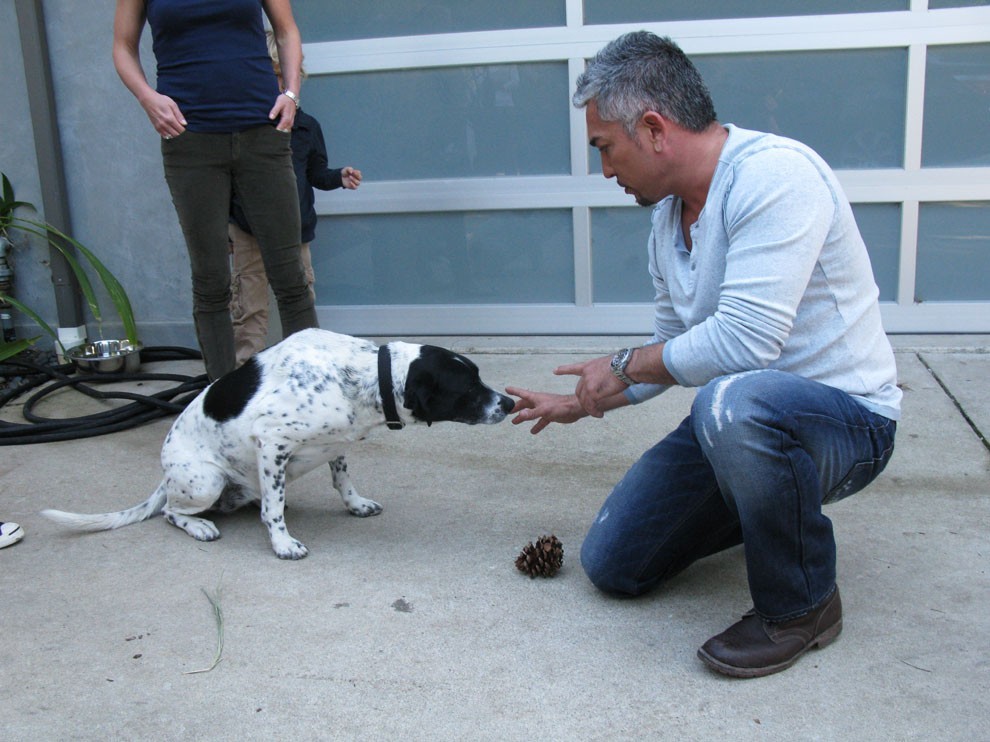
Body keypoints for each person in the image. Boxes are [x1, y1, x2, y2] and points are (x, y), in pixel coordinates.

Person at [508, 31, 900, 679]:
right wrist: (585, 398)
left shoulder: (776, 176)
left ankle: (800, 606)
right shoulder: (667, 224)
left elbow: (747, 342)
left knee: (731, 397)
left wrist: (627, 365)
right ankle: (768, 497)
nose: (605, 172)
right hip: (742, 426)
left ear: (655, 129)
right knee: (613, 562)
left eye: (606, 149)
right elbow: (671, 345)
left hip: (848, 425)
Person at [113, 0, 318, 380]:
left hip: (263, 131)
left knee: (290, 276)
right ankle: (221, 401)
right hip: (189, 140)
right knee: (210, 280)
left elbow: (287, 30)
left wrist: (291, 94)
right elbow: (123, 47)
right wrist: (147, 98)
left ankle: (310, 392)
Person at [229, 32, 362, 365]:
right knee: (250, 307)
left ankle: (305, 368)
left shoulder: (307, 128)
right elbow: (226, 181)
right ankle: (243, 377)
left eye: (281, 75)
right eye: (268, 75)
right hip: (247, 230)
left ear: (295, 78)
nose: (275, 83)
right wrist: (225, 227)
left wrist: (338, 177)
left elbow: (315, 174)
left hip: (295, 231)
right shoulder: (242, 128)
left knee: (301, 300)